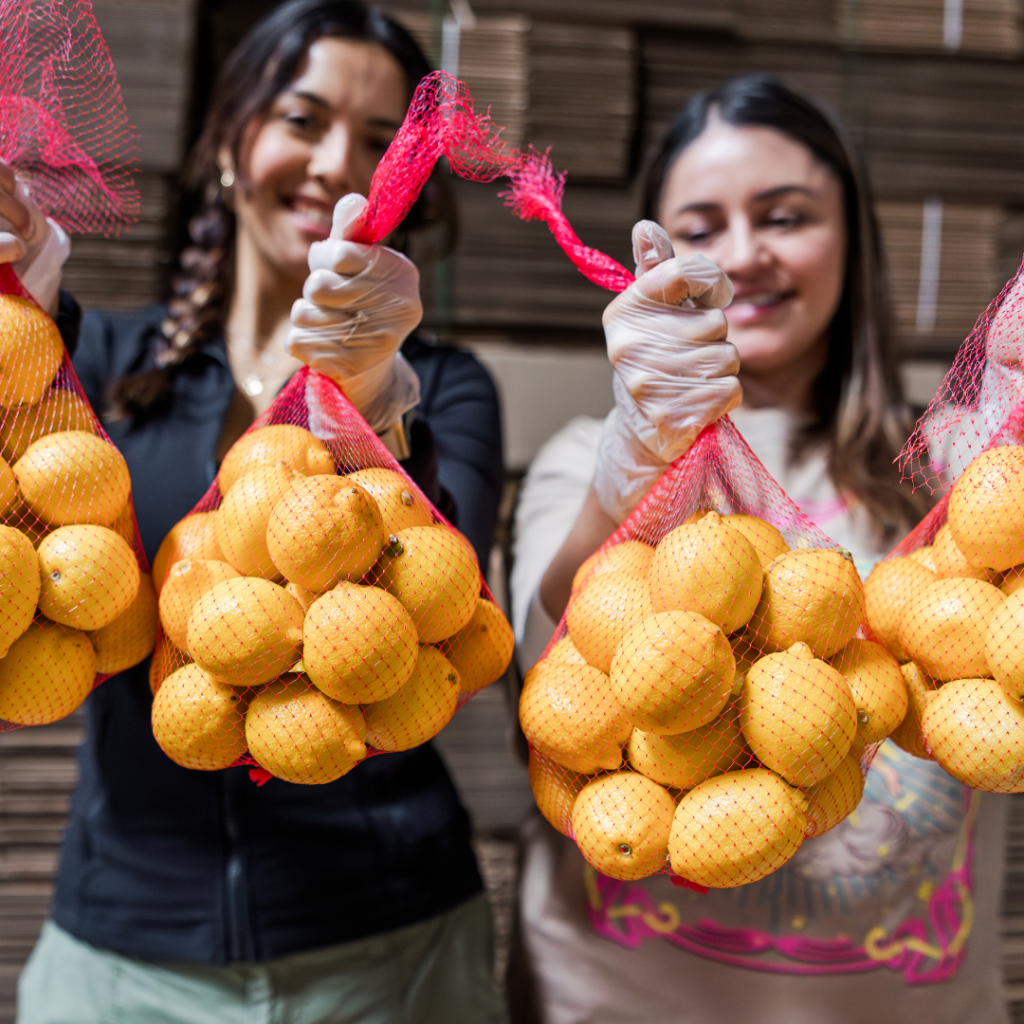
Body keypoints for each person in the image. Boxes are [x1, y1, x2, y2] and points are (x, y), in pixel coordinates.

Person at [0, 3, 506, 1021]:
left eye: (377, 143)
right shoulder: (100, 365)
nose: (336, 167)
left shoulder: (443, 386)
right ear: (233, 139)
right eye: (304, 119)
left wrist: (370, 398)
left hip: (391, 949)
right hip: (121, 955)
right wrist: (25, 299)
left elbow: (443, 602)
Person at [509, 74, 1009, 1024]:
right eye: (701, 228)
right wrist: (633, 471)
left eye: (785, 217)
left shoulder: (954, 467)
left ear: (851, 241)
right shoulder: (590, 459)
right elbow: (557, 675)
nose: (744, 255)